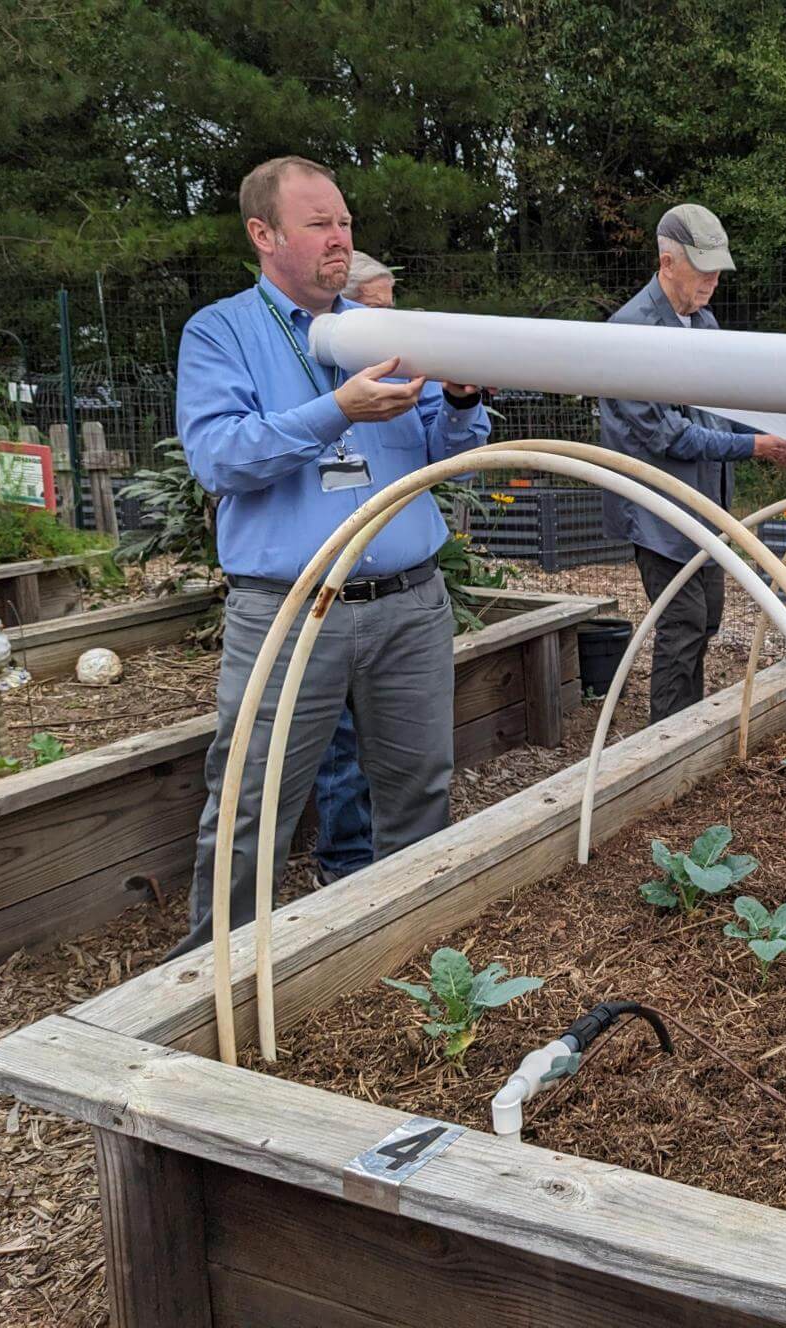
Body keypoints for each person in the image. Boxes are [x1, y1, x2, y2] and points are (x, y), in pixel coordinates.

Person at [168, 155, 490, 958]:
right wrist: (334, 409)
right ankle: (222, 978)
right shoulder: (222, 333)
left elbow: (436, 457)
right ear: (264, 234)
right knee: (252, 798)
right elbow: (219, 458)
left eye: (344, 221)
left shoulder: (382, 330)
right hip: (289, 607)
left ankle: (413, 956)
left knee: (419, 789)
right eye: (319, 224)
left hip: (410, 604)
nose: (340, 237)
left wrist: (458, 401)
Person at [598, 203, 786, 724]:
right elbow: (666, 435)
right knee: (683, 622)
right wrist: (754, 447)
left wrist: (765, 433)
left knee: (708, 617)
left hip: (706, 507)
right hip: (661, 513)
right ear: (667, 261)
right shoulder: (631, 332)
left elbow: (724, 410)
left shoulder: (702, 324)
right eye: (703, 267)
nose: (714, 278)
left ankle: (685, 727)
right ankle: (665, 743)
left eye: (717, 267)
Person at [309, 250, 404, 884]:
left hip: (397, 589)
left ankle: (402, 882)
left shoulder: (397, 363)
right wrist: (339, 409)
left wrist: (457, 403)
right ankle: (343, 866)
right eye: (377, 308)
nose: (388, 321)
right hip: (316, 591)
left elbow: (449, 449)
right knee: (337, 742)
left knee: (404, 750)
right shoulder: (309, 356)